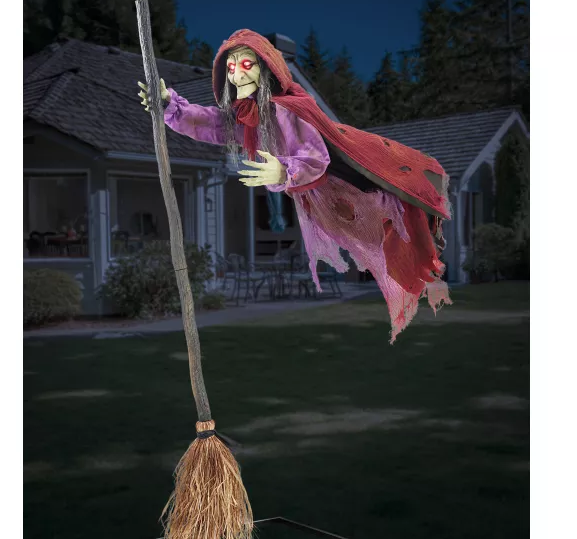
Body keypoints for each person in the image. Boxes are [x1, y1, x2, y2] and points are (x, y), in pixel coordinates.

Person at [138, 29, 451, 342]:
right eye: (230, 68)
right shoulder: (246, 116)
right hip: (323, 198)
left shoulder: (287, 109)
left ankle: (425, 241)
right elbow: (211, 123)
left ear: (266, 69)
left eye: (246, 65)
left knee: (391, 221)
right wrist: (169, 105)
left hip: (342, 182)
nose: (236, 75)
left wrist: (282, 171)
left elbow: (315, 158)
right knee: (378, 237)